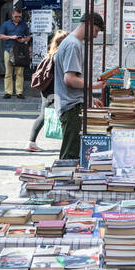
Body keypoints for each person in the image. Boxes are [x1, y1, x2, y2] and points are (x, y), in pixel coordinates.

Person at [53, 12, 104, 160]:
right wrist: (94, 86)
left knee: (72, 154)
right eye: (95, 31)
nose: (95, 36)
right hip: (72, 107)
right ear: (88, 25)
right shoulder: (73, 44)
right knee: (70, 156)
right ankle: (64, 181)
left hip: (72, 104)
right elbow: (69, 79)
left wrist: (88, 97)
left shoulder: (71, 42)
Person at [28, 30, 68, 152]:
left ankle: (31, 142)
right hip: (53, 91)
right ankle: (31, 142)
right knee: (52, 115)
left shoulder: (53, 53)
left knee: (46, 115)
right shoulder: (58, 55)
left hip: (49, 89)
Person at [0, 9, 32, 99]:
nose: (18, 18)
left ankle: (19, 92)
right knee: (8, 72)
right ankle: (8, 92)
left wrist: (23, 40)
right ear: (12, 15)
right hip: (8, 50)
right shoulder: (6, 24)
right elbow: (1, 36)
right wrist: (11, 37)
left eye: (19, 17)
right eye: (16, 17)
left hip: (20, 50)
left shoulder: (24, 24)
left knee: (19, 72)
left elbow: (29, 36)